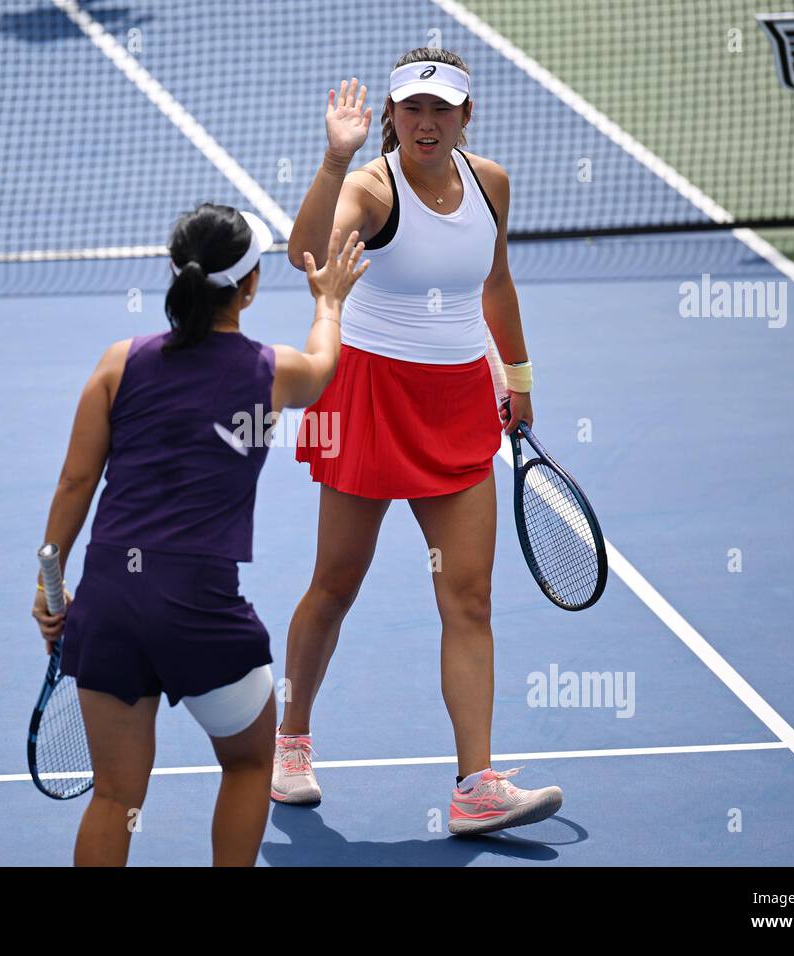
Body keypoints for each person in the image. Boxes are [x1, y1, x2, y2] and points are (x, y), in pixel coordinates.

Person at [277, 49, 564, 835]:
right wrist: (336, 159)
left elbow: (495, 280)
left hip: (458, 401)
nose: (426, 123)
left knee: (468, 598)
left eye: (441, 110)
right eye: (412, 110)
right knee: (335, 586)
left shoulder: (490, 184)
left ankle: (474, 786)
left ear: (467, 116)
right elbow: (308, 255)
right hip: (368, 398)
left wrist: (520, 374)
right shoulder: (371, 189)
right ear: (394, 118)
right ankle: (291, 744)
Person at [32, 204, 368, 864]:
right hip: (200, 607)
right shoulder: (272, 371)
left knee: (115, 797)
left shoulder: (117, 363)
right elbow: (326, 366)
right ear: (249, 286)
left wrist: (50, 585)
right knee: (247, 764)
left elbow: (75, 485)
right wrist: (329, 300)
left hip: (108, 603)